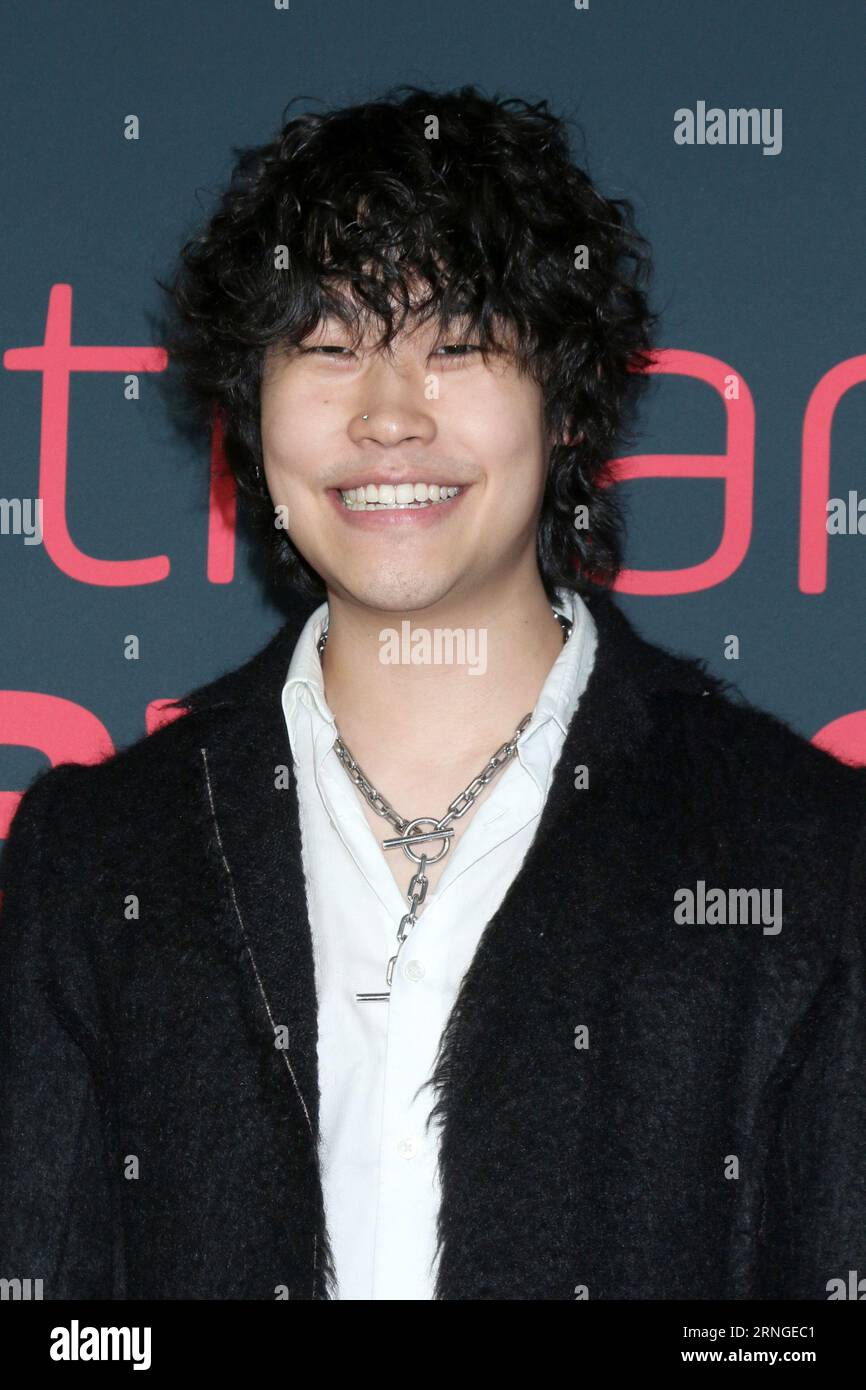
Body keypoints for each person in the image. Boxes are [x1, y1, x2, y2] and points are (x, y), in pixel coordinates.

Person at [1, 84, 864, 1301]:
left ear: (564, 403)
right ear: (249, 417)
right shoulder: (94, 862)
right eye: (328, 347)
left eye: (455, 346)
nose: (388, 415)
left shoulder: (804, 856)